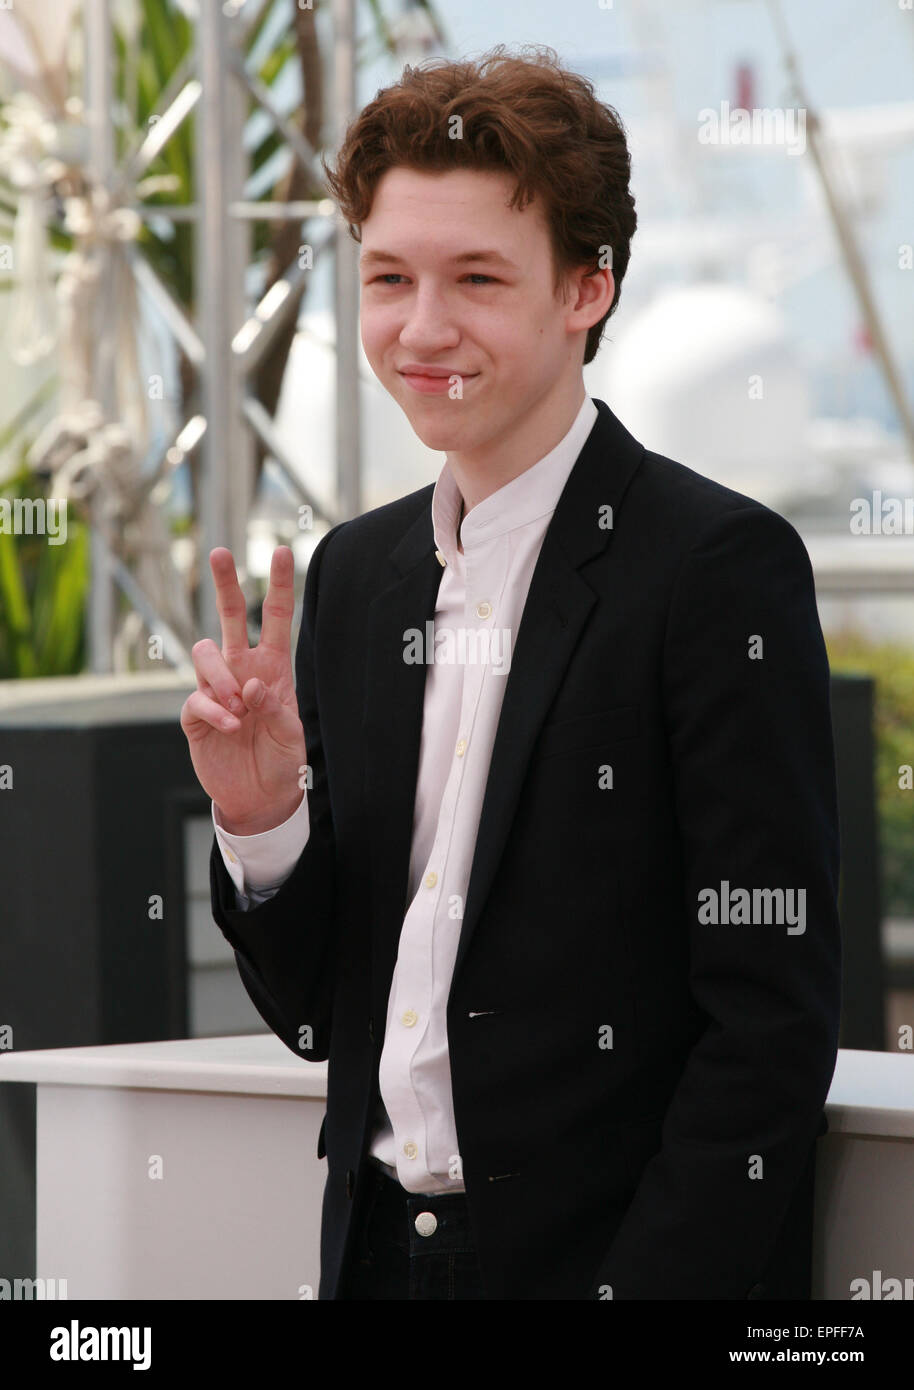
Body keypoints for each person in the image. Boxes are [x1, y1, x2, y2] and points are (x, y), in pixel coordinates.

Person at [181, 45, 841, 1300]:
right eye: (387, 278)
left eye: (476, 278)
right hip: (373, 1257)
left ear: (586, 287)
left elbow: (767, 1019)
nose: (420, 329)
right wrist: (264, 818)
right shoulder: (354, 577)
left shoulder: (714, 570)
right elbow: (325, 1009)